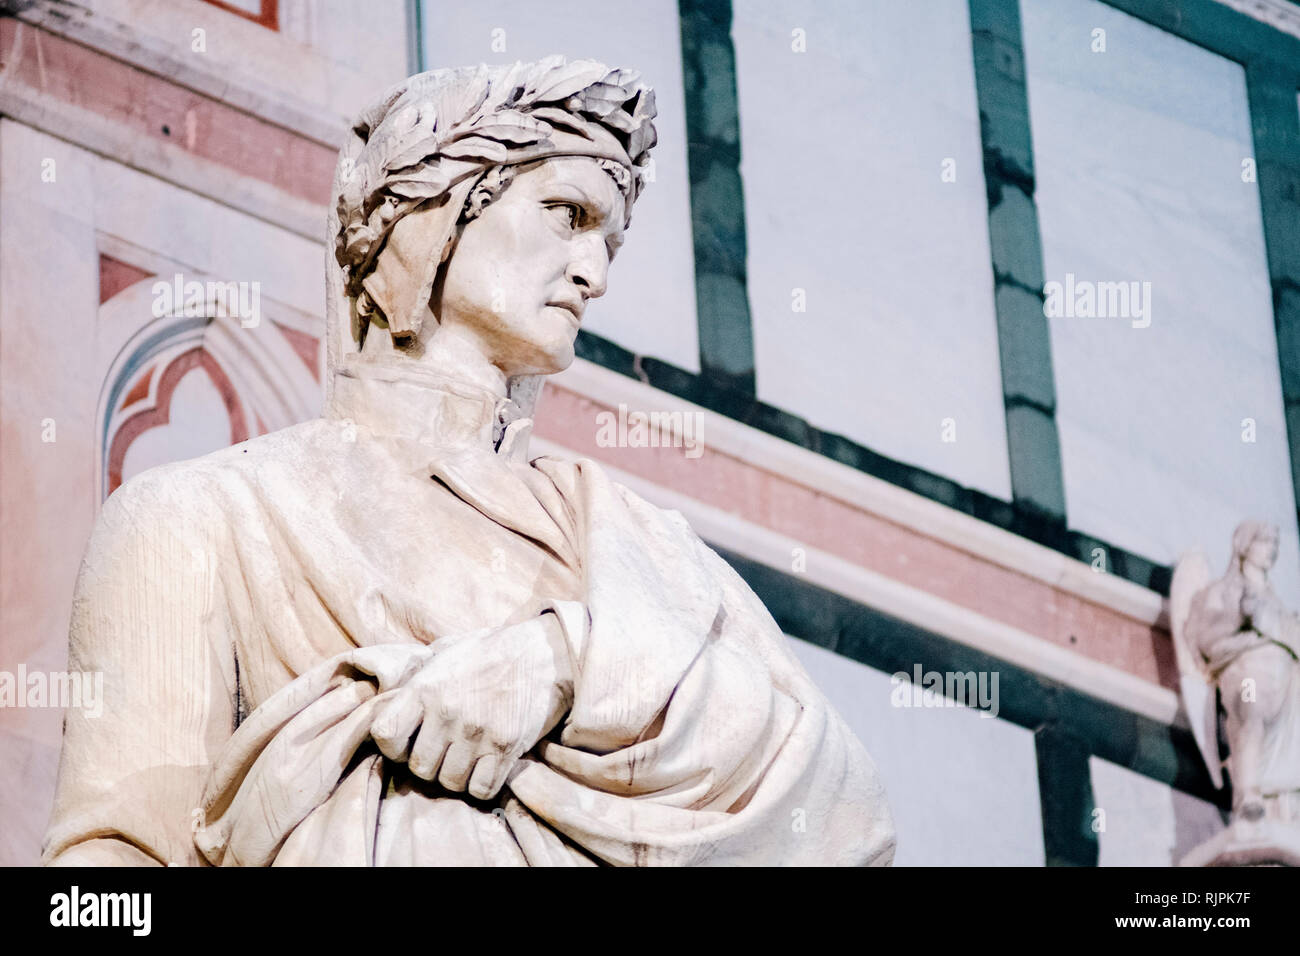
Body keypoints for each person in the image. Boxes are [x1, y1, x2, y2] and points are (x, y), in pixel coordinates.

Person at [43, 57, 895, 866]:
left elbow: (845, 812)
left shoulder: (639, 543)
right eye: (569, 213)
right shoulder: (204, 515)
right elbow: (105, 878)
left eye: (612, 241)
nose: (594, 274)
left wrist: (563, 667)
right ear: (439, 211)